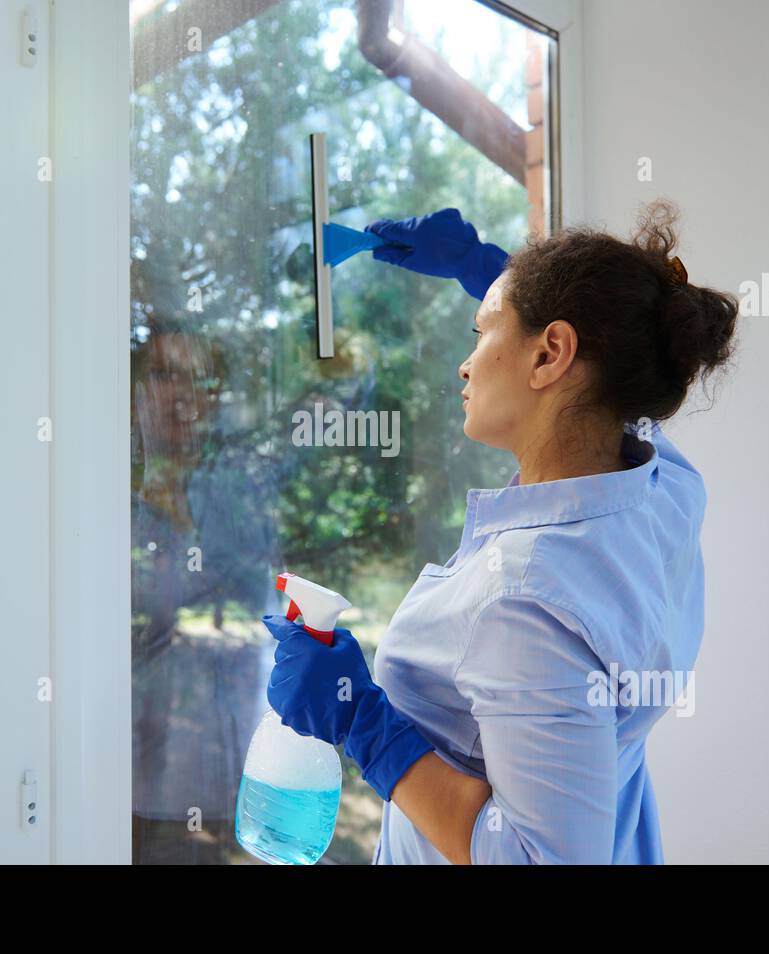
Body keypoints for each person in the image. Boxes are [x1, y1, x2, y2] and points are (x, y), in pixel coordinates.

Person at [260, 200, 738, 864]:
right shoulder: (664, 491)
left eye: (481, 331)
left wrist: (357, 719)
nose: (465, 365)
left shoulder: (527, 602)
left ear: (550, 354)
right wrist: (486, 269)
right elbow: (606, 359)